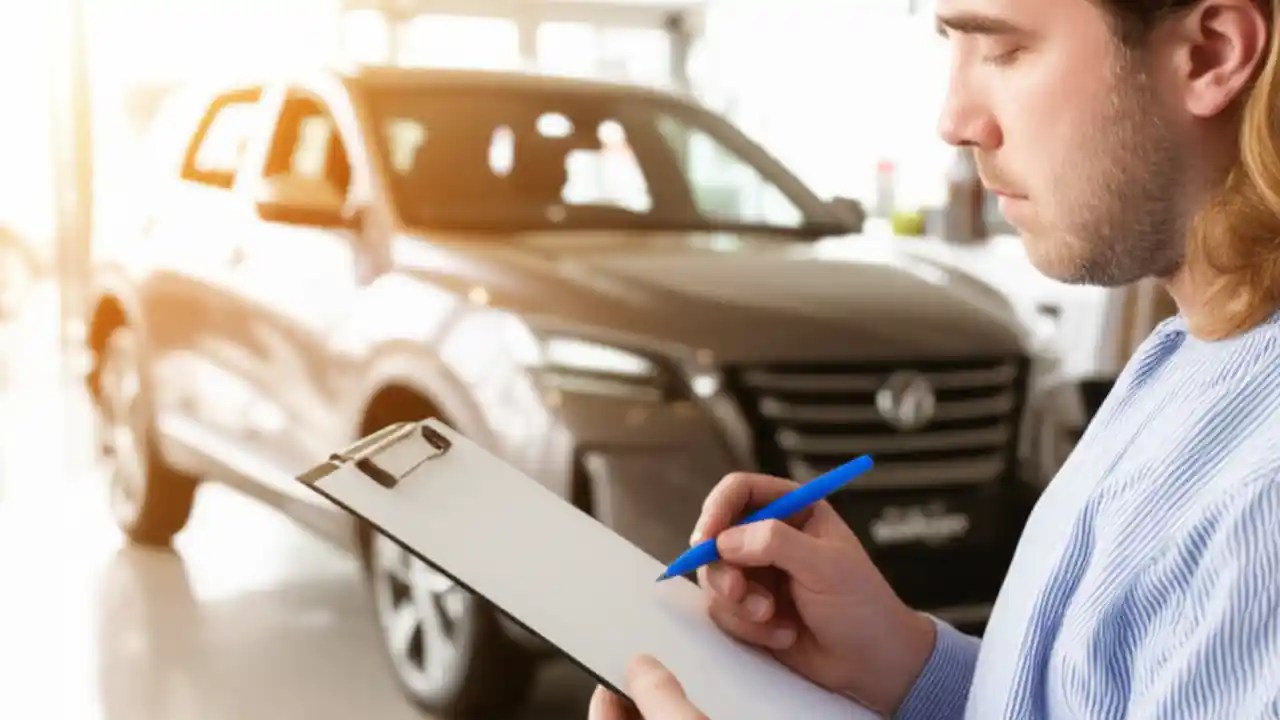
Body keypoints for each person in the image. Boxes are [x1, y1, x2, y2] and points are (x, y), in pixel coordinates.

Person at [589, 0, 1280, 717]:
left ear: (1211, 54)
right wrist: (902, 662)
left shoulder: (1265, 495)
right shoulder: (1189, 352)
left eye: (1004, 51)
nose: (954, 122)